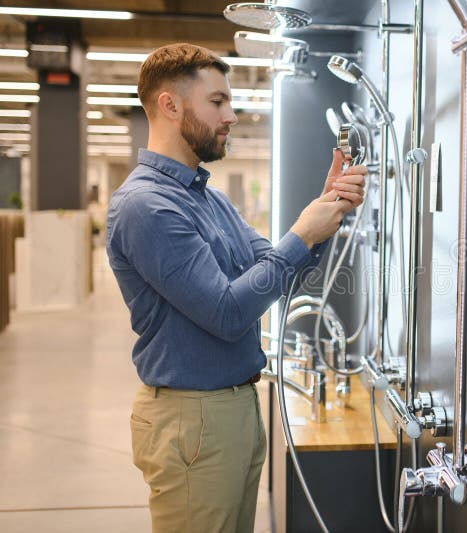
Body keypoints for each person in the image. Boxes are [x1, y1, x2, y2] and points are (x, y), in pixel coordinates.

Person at [105, 43, 366, 533]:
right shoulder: (147, 206)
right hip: (194, 419)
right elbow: (227, 313)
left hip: (235, 410)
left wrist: (324, 214)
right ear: (171, 105)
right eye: (218, 102)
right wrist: (303, 233)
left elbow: (271, 272)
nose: (232, 115)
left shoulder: (211, 200)